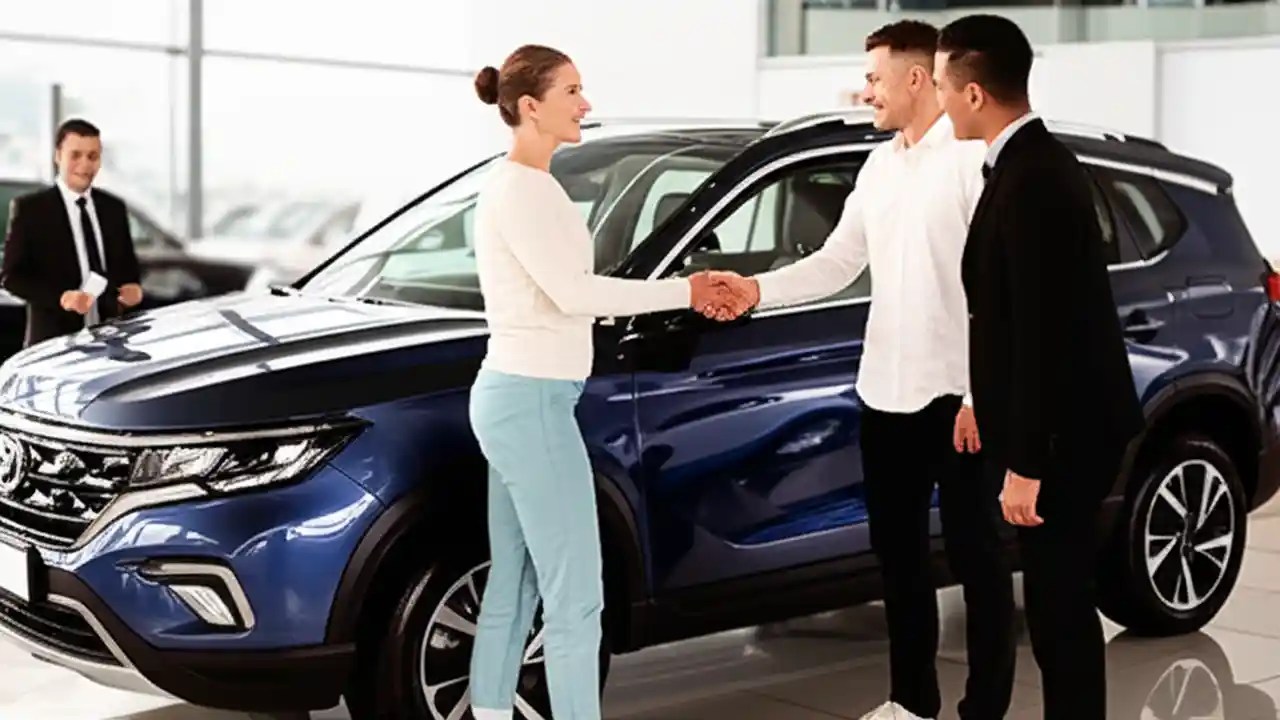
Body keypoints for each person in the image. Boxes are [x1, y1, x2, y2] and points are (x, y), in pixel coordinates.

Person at [704, 21, 1016, 720]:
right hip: (886, 396)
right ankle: (911, 703)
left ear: (915, 78)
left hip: (960, 400)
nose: (864, 88)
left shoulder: (973, 163)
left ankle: (985, 709)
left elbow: (1002, 290)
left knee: (977, 561)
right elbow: (837, 262)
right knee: (900, 562)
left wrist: (980, 392)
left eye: (875, 76)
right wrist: (757, 290)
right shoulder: (878, 168)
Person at [466, 45, 744, 720]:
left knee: (520, 580)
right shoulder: (524, 189)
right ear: (531, 106)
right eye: (573, 91)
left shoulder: (524, 186)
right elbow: (572, 291)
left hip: (515, 395)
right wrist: (687, 289)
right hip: (530, 400)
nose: (585, 104)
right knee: (576, 594)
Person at [933, 15, 1144, 719]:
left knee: (1058, 610)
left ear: (973, 94)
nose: (937, 98)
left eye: (940, 84)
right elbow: (1006, 319)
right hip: (1054, 428)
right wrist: (980, 402)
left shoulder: (1036, 178)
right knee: (1054, 605)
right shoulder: (1022, 166)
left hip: (1065, 438)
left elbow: (1045, 333)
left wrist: (1028, 463)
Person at [1, 118, 144, 348]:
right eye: (75, 155)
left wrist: (134, 291)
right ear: (58, 156)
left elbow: (129, 270)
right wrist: (62, 297)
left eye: (92, 156)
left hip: (112, 343)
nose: (85, 165)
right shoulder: (32, 210)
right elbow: (12, 277)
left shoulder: (113, 208)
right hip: (54, 346)